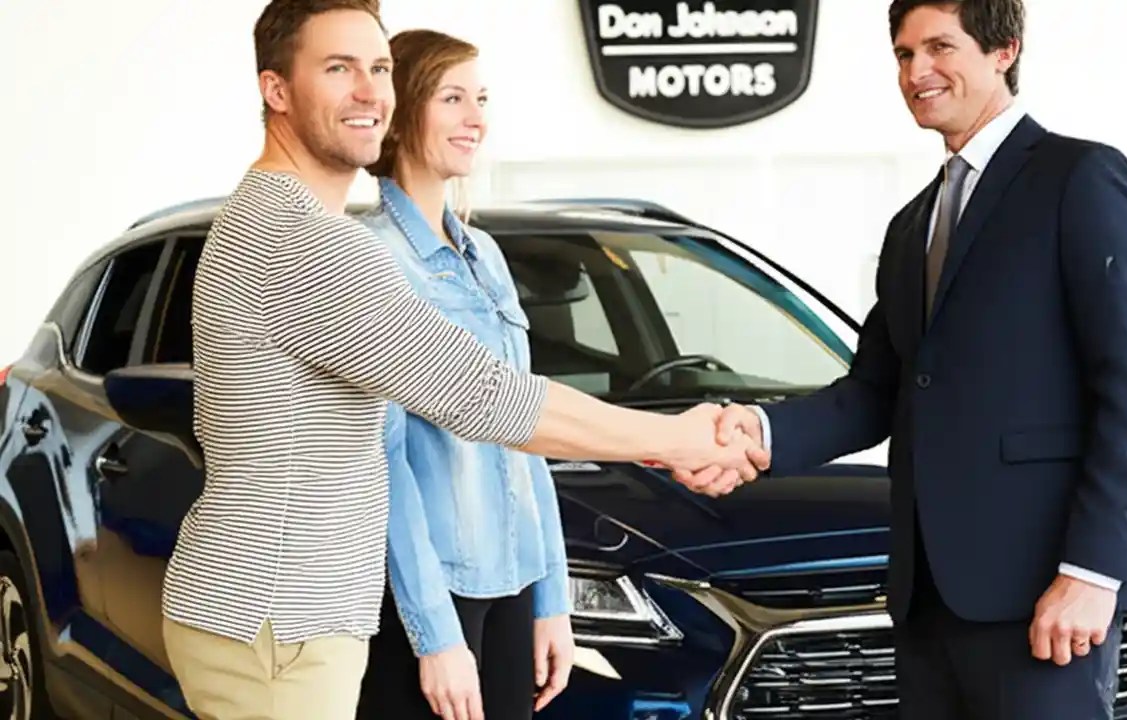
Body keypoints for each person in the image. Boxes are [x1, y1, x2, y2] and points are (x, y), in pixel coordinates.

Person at [160, 2, 763, 719]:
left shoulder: (279, 218)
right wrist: (677, 438)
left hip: (275, 614)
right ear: (277, 90)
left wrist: (548, 590)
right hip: (281, 622)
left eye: (379, 67)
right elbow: (486, 399)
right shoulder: (309, 241)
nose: (369, 90)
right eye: (338, 68)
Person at [684, 1, 1127, 718]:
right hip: (927, 603)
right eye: (904, 54)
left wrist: (1093, 571)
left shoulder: (1080, 178)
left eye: (940, 47)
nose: (917, 72)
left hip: (1045, 596)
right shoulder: (912, 224)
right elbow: (875, 392)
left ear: (1004, 50)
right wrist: (757, 432)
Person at [351, 29, 572, 720]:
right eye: (452, 98)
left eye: (482, 99)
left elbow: (526, 428)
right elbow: (382, 464)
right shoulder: (370, 256)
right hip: (431, 589)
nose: (476, 118)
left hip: (512, 579)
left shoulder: (485, 255)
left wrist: (551, 598)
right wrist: (436, 635)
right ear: (401, 111)